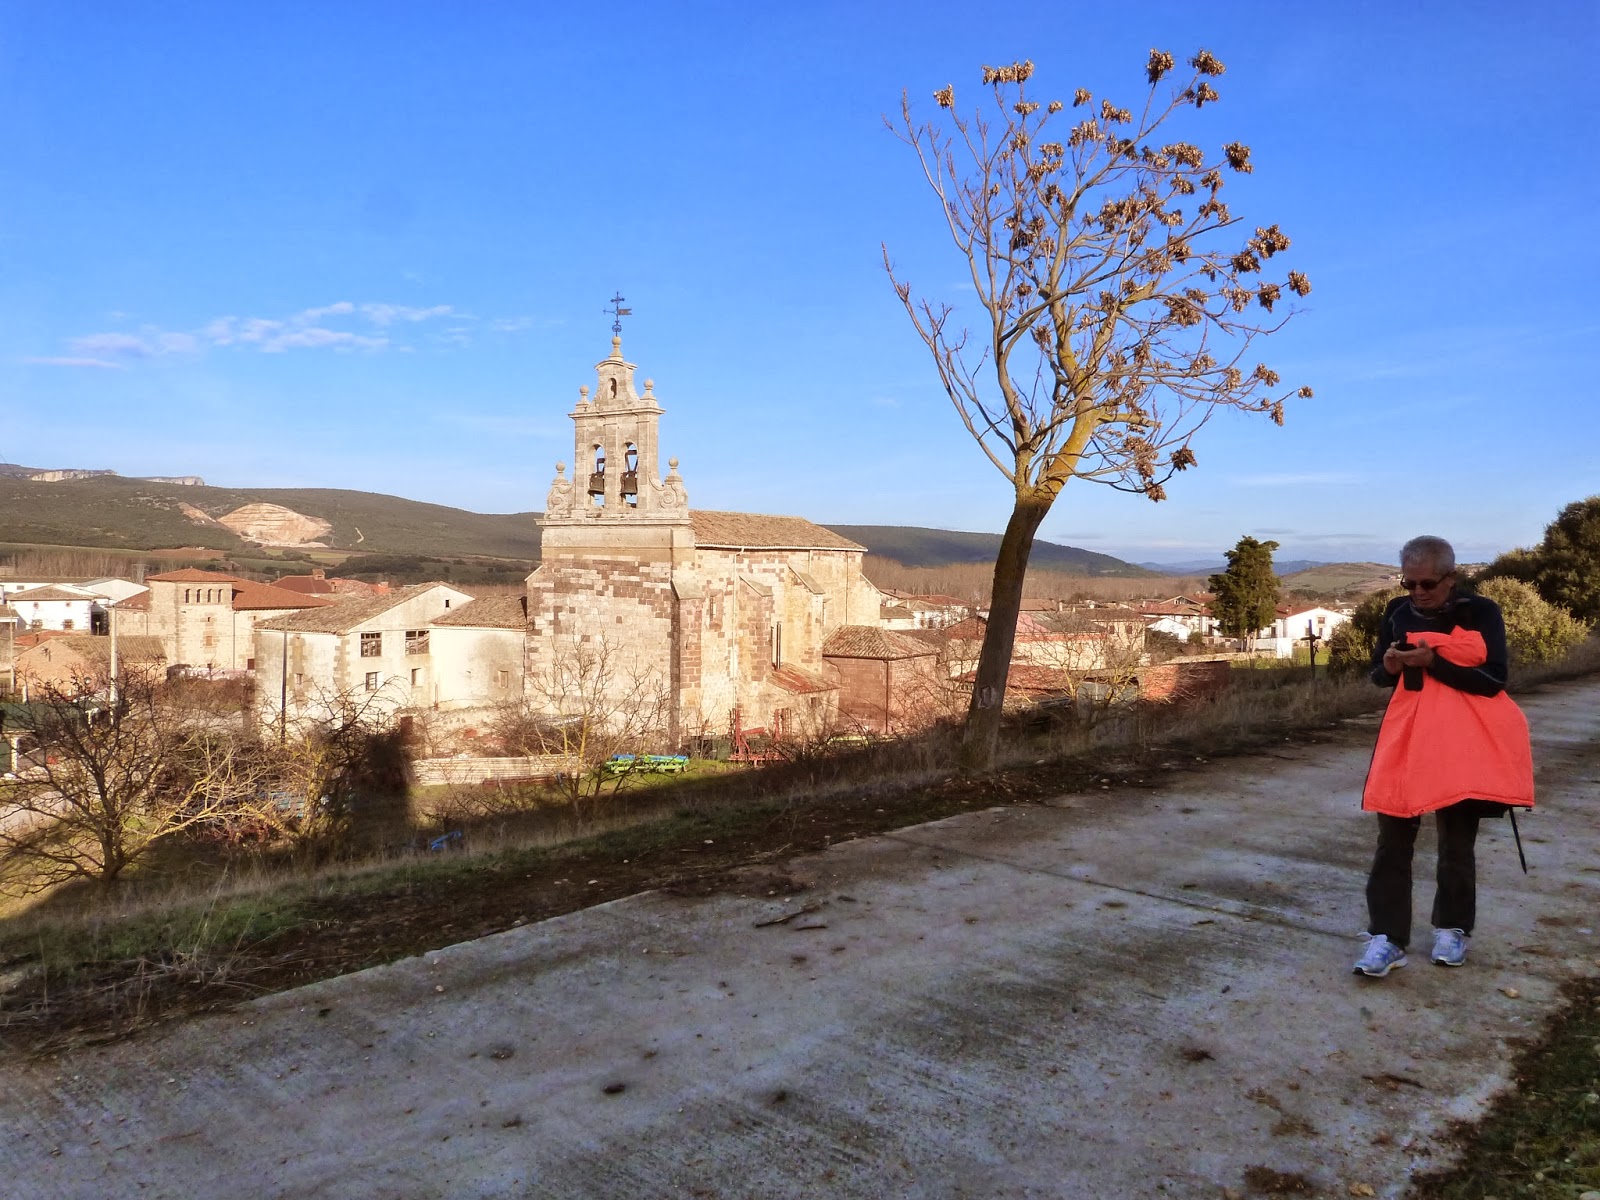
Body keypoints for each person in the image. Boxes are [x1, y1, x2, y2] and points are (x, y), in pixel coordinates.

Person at [1352, 535, 1534, 978]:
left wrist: (1434, 662)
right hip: (1408, 738)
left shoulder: (1481, 612)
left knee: (1456, 844)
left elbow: (1493, 681)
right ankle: (1387, 938)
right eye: (1409, 582)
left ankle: (1452, 929)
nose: (1417, 592)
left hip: (1461, 744)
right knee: (1391, 841)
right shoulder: (1396, 613)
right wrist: (1391, 667)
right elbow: (1379, 673)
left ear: (1451, 577)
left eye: (1428, 583)